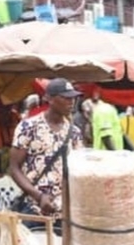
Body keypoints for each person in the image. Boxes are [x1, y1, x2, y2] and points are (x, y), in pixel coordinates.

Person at [9, 79, 84, 217]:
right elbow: (14, 168)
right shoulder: (28, 127)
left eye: (73, 98)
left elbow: (79, 171)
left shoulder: (74, 133)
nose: (71, 102)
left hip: (65, 212)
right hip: (34, 208)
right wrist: (38, 196)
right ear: (49, 99)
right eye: (65, 98)